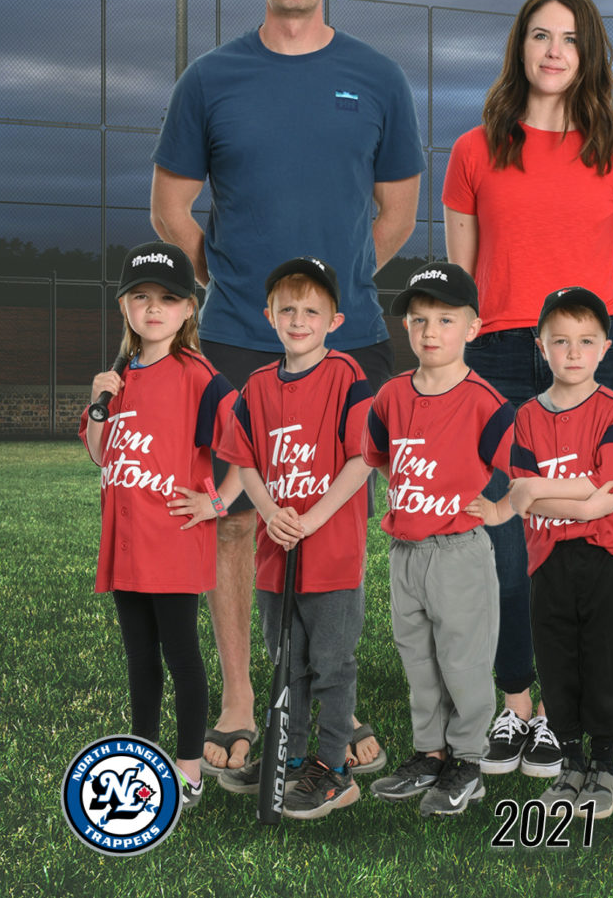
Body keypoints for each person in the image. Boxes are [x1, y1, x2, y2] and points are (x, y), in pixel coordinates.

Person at [149, 0, 422, 775]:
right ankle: (237, 702)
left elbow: (397, 213)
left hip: (350, 345)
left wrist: (324, 301)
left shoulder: (378, 78)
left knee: (338, 519)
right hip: (235, 337)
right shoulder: (209, 79)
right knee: (236, 518)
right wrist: (234, 284)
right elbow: (170, 207)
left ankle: (330, 704)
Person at [443, 0, 613, 781]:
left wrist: (590, 346)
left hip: (590, 359)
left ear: (588, 51)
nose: (554, 50)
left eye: (569, 37)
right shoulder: (473, 150)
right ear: (519, 48)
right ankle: (518, 707)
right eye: (539, 35)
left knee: (584, 542)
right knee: (506, 541)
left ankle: (581, 714)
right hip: (497, 358)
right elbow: (460, 277)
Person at [190, 257, 375, 819]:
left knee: (332, 664)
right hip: (277, 555)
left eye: (311, 311)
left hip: (332, 555)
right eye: (287, 310)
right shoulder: (258, 386)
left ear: (334, 321)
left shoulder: (346, 376)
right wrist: (270, 513)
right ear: (269, 316)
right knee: (286, 661)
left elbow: (363, 458)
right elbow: (244, 464)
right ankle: (289, 760)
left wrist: (313, 518)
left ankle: (333, 769)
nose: (299, 320)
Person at [81, 241, 241, 811]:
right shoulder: (117, 378)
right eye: (141, 297)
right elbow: (102, 455)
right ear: (124, 306)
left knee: (181, 656)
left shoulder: (198, 376)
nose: (154, 309)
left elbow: (243, 449)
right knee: (139, 658)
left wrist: (217, 504)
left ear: (188, 311)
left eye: (168, 298)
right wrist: (100, 402)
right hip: (124, 546)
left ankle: (189, 770)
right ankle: (144, 759)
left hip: (171, 543)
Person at [362, 262, 517, 819]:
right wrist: (417, 503)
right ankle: (430, 753)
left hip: (459, 552)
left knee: (464, 660)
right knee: (419, 659)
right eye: (419, 319)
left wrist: (499, 509)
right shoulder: (391, 396)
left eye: (445, 320)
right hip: (406, 551)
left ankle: (469, 762)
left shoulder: (484, 400)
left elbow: (522, 471)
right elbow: (382, 460)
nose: (430, 331)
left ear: (472, 328)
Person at [508, 287, 613, 821]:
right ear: (542, 347)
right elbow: (519, 492)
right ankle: (570, 761)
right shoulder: (525, 418)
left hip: (603, 556)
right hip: (547, 559)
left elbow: (609, 489)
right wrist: (576, 498)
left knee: (602, 657)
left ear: (605, 347)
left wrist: (548, 492)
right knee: (557, 658)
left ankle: (604, 763)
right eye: (561, 341)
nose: (574, 352)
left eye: (586, 341)